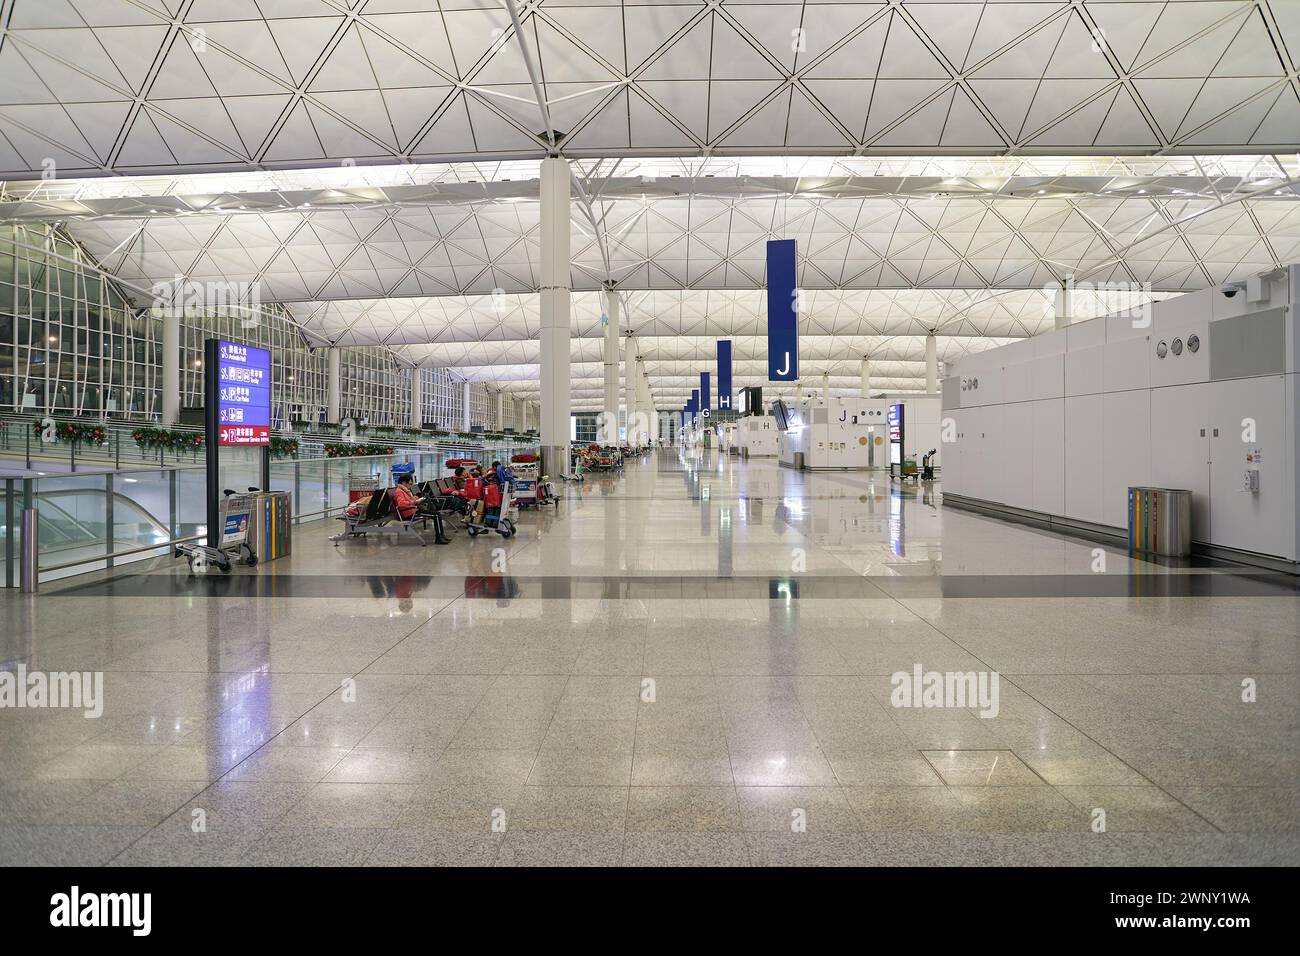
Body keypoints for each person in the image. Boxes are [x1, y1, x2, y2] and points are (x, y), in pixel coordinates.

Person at [390, 473, 450, 544]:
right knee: (436, 515)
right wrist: (414, 501)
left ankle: (441, 536)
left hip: (413, 510)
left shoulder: (404, 490)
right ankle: (439, 538)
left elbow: (407, 501)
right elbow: (401, 504)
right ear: (403, 483)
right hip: (410, 513)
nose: (410, 486)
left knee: (437, 514)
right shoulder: (399, 491)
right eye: (409, 484)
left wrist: (415, 499)